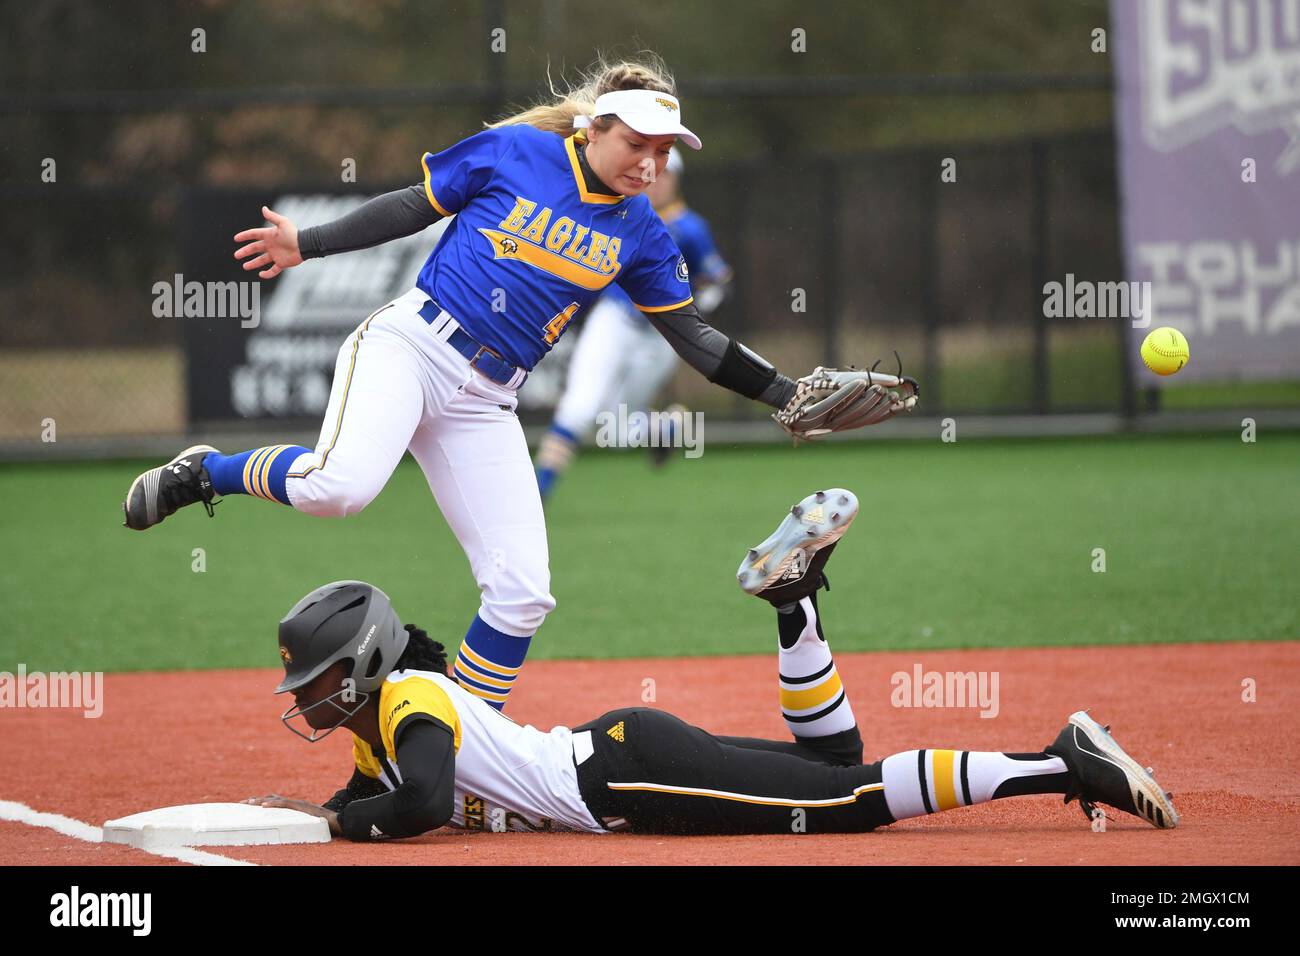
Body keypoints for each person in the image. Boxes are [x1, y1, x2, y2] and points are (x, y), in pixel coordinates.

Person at [119, 54, 860, 713]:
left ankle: (463, 746)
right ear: (596, 128)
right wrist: (306, 244)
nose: (649, 164)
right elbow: (414, 205)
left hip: (486, 400)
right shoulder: (519, 151)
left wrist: (783, 393)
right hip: (411, 346)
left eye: (663, 151)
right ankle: (205, 472)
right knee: (338, 488)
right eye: (637, 144)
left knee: (522, 593)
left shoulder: (643, 233)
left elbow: (693, 336)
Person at [245, 489, 1180, 839]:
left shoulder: (410, 701)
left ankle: (1064, 763)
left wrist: (334, 833)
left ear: (365, 662)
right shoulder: (382, 727)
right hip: (620, 754)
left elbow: (418, 806)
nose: (310, 699)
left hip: (630, 776)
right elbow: (367, 795)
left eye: (321, 680)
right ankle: (794, 607)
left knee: (848, 806)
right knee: (831, 763)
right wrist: (307, 815)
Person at [534, 146, 733, 498]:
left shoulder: (690, 228)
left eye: (665, 174)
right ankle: (537, 494)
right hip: (614, 319)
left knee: (619, 430)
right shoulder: (621, 213)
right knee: (580, 407)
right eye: (652, 172)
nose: (656, 180)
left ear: (675, 180)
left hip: (661, 336)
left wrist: (706, 297)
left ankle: (665, 427)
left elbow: (719, 278)